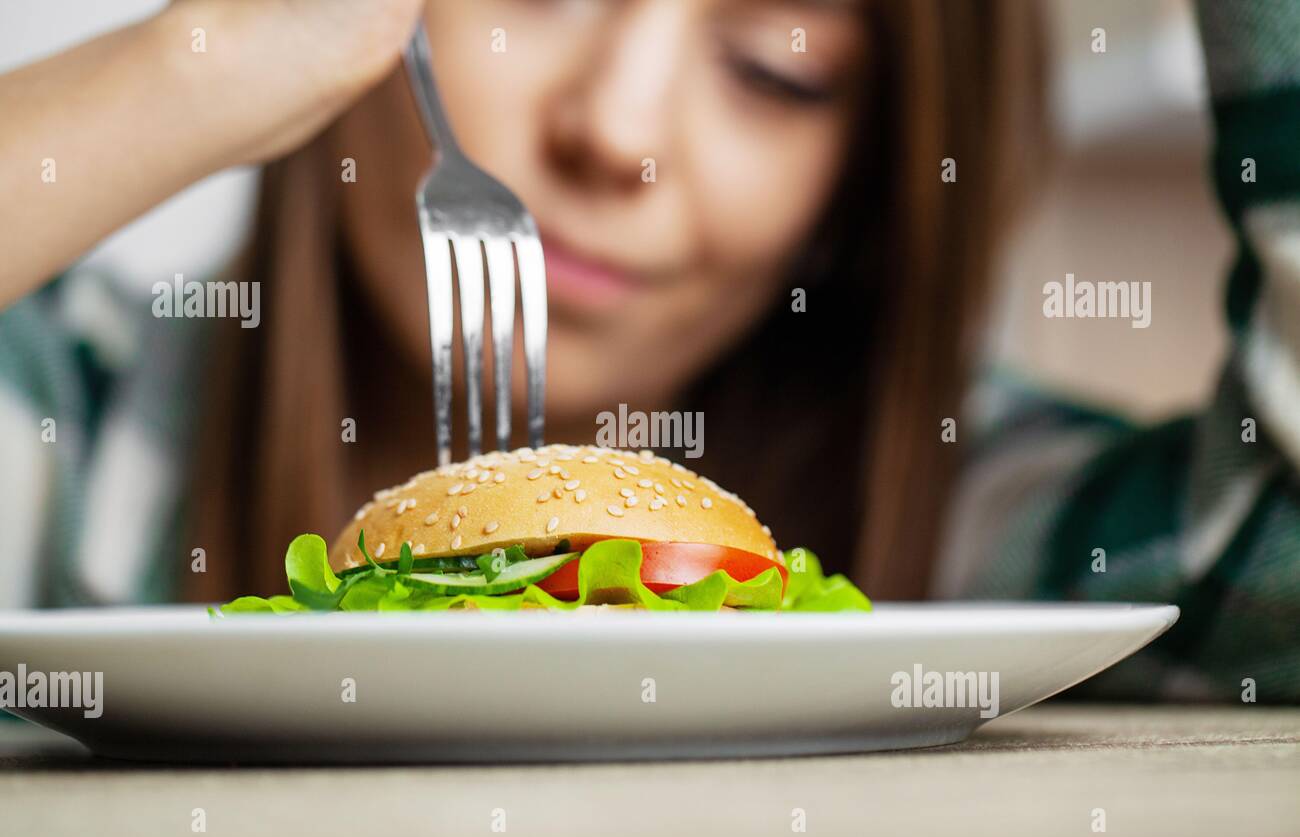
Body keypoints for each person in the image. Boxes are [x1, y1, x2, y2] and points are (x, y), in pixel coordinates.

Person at [0, 1, 1295, 701]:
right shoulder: (68, 420)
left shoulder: (976, 514)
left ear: (867, 177)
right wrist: (193, 57)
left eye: (775, 68)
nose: (618, 131)